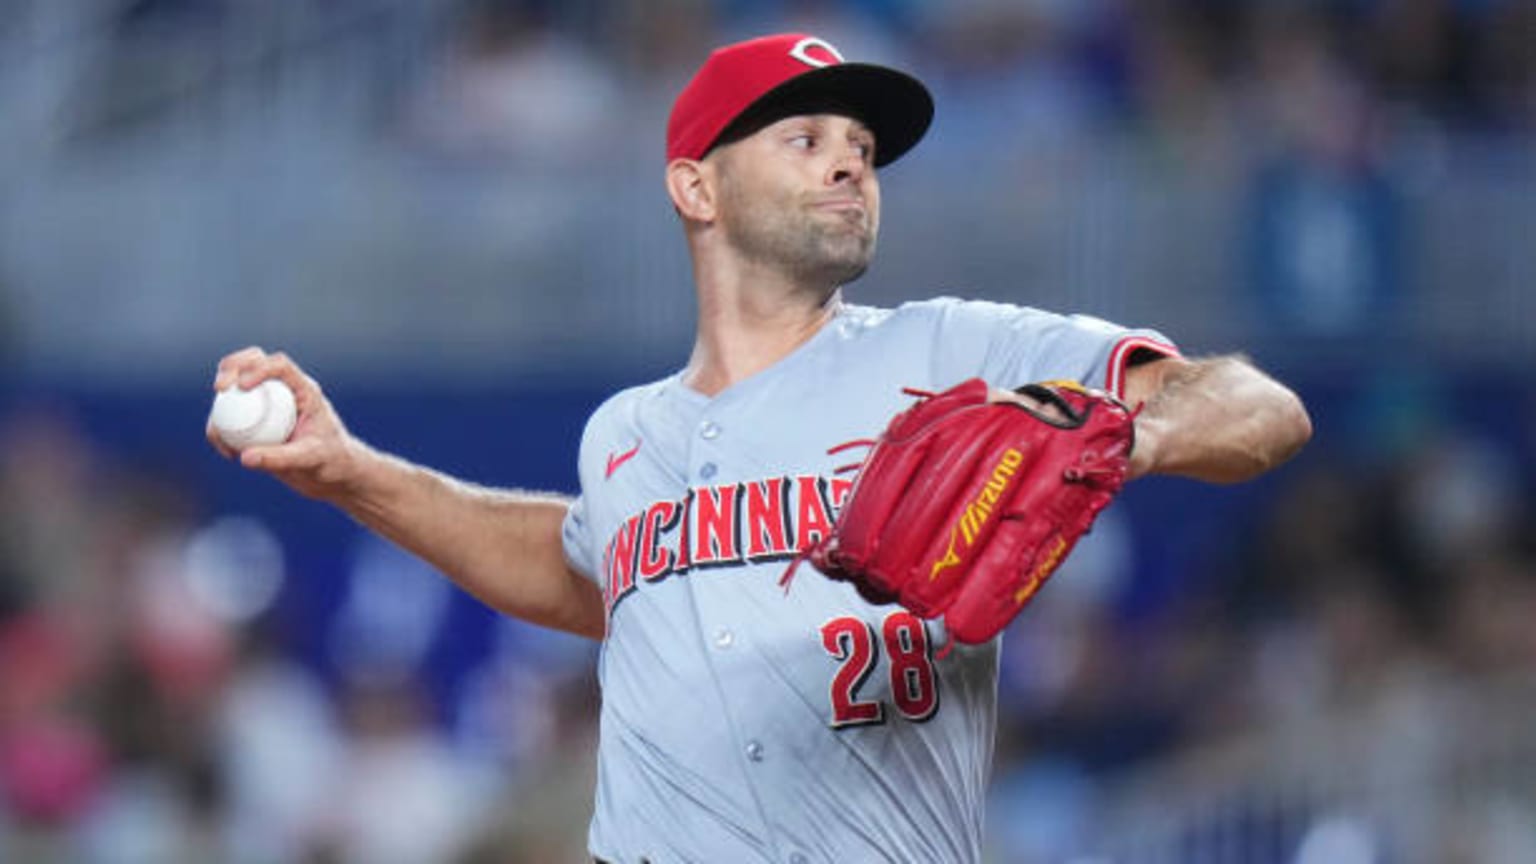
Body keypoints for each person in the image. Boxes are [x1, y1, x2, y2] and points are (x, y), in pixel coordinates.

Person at [209, 33, 1312, 864]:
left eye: (863, 150)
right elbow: (579, 569)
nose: (849, 166)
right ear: (695, 185)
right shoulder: (624, 433)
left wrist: (1121, 431)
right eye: (806, 140)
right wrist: (350, 471)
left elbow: (1262, 409)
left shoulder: (958, 349)